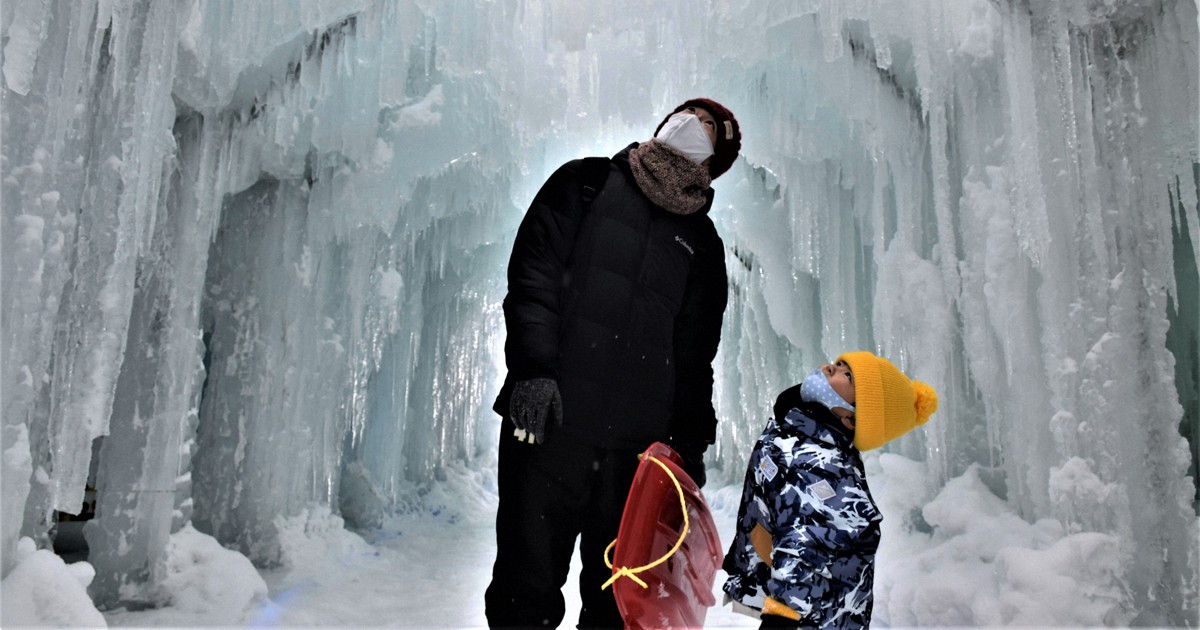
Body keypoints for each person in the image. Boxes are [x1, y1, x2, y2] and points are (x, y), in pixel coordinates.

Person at [485, 98, 742, 629]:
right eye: (688, 115)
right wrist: (533, 371)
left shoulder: (703, 245)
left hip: (634, 459)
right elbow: (534, 277)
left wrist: (688, 446)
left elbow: (695, 356)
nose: (693, 125)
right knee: (523, 591)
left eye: (709, 127)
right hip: (549, 428)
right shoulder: (585, 183)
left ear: (715, 159)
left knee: (616, 609)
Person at [722, 352, 939, 628]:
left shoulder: (825, 470)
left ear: (851, 419)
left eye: (846, 375)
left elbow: (807, 548)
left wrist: (782, 617)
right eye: (837, 364)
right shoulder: (800, 435)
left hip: (806, 617)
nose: (828, 367)